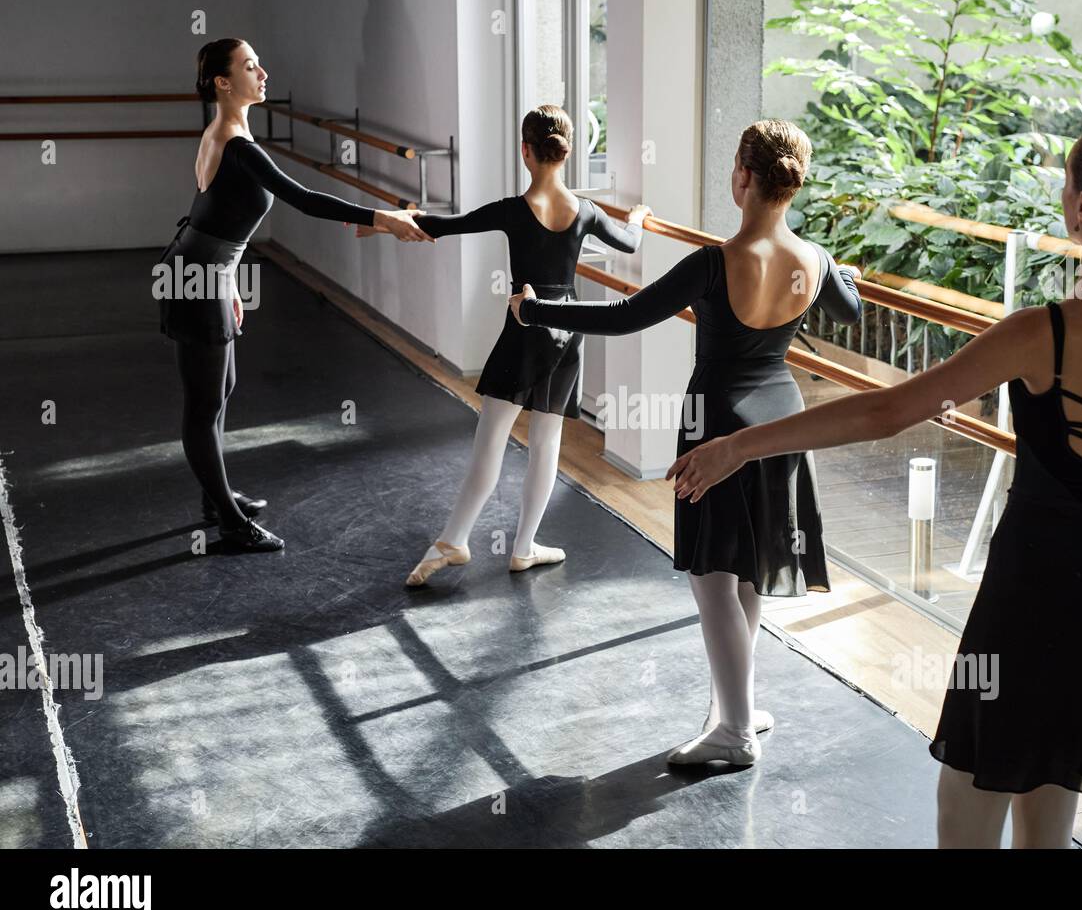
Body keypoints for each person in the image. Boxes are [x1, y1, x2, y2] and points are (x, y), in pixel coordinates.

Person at [667, 117, 1082, 843]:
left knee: (968, 803)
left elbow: (888, 411)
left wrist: (738, 448)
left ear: (1081, 207)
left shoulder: (1042, 330)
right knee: (1052, 788)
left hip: (1031, 581)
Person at [508, 120, 863, 766]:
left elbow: (621, 318)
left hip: (718, 421)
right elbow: (851, 312)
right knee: (747, 567)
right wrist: (845, 273)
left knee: (710, 578)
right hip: (781, 418)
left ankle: (734, 731)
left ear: (744, 178)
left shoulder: (714, 264)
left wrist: (535, 312)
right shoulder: (814, 260)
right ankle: (739, 707)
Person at [163, 38, 430, 552]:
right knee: (203, 404)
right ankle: (229, 524)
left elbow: (215, 214)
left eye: (260, 62)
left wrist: (229, 280)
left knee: (221, 390)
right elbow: (304, 200)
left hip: (205, 274)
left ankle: (215, 496)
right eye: (249, 66)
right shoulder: (236, 144)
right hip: (195, 277)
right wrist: (384, 217)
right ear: (223, 82)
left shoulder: (224, 131)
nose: (262, 72)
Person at [367, 105, 649, 582]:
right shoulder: (587, 211)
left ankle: (454, 540)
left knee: (491, 440)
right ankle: (523, 547)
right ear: (567, 151)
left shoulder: (513, 211)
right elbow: (630, 243)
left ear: (525, 152)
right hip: (567, 329)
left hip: (525, 324)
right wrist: (639, 216)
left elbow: (444, 224)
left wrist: (378, 221)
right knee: (547, 443)